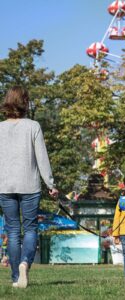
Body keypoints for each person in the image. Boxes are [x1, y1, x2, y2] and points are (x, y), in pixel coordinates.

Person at [0, 86, 58, 288]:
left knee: (13, 231)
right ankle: (25, 264)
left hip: (5, 186)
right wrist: (50, 184)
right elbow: (42, 158)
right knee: (31, 228)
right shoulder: (33, 126)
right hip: (29, 185)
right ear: (25, 102)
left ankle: (16, 277)